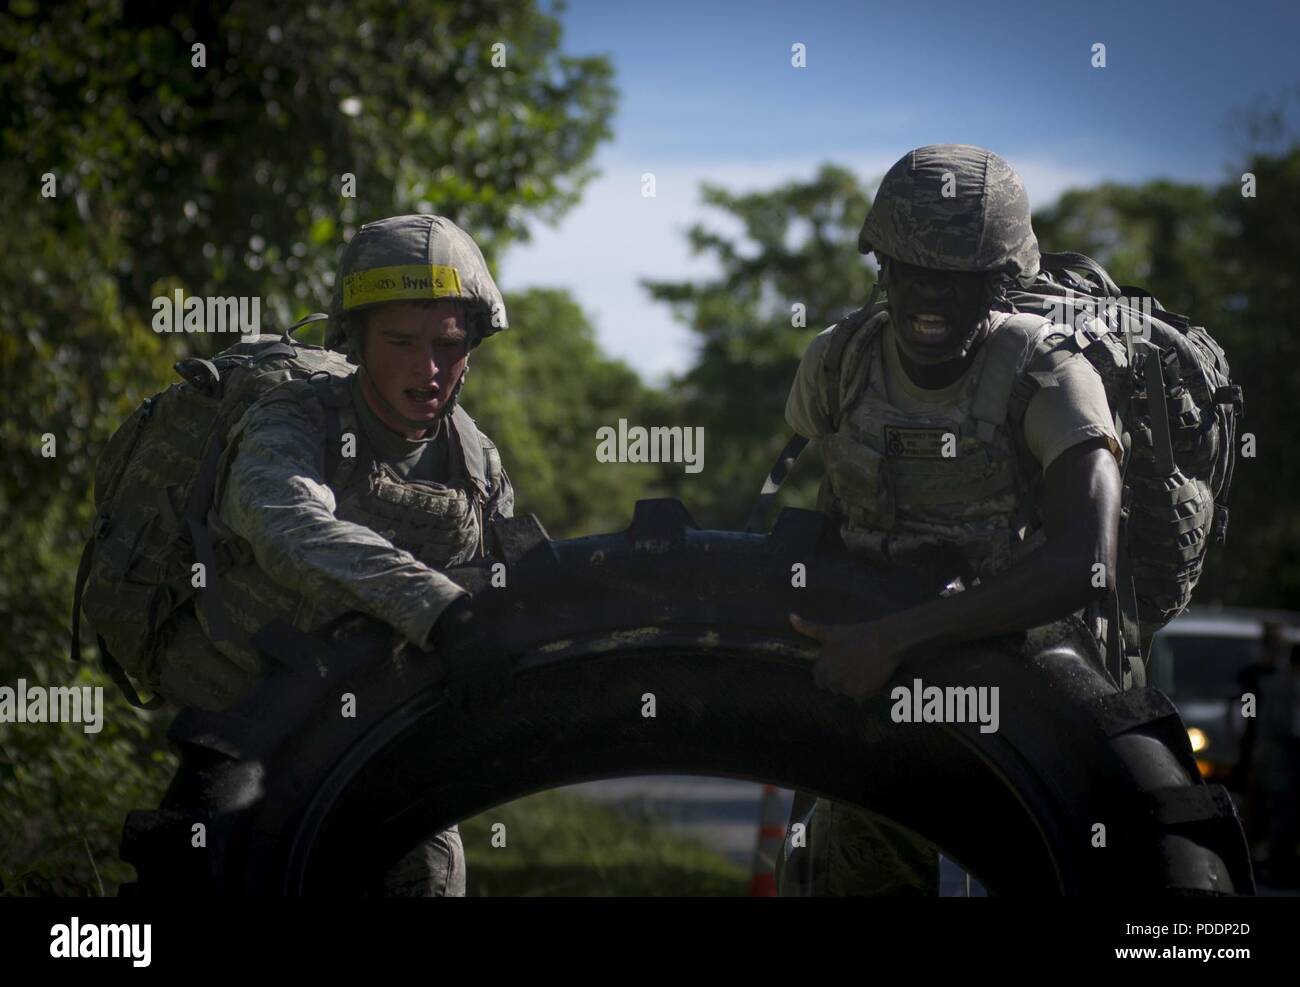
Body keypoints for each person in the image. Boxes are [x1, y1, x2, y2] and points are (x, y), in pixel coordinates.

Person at [776, 144, 1125, 895]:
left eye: (957, 277)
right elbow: (822, 522)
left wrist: (898, 636)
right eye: (913, 271)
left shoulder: (1050, 375)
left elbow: (1085, 558)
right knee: (836, 858)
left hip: (1026, 682)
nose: (930, 297)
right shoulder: (839, 364)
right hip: (875, 682)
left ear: (998, 282)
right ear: (885, 270)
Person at [153, 214, 515, 896]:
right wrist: (439, 609)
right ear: (353, 340)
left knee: (430, 877)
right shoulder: (294, 418)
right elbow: (281, 516)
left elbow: (516, 578)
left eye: (448, 342)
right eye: (401, 341)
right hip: (253, 719)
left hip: (389, 725)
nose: (427, 368)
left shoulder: (475, 460)